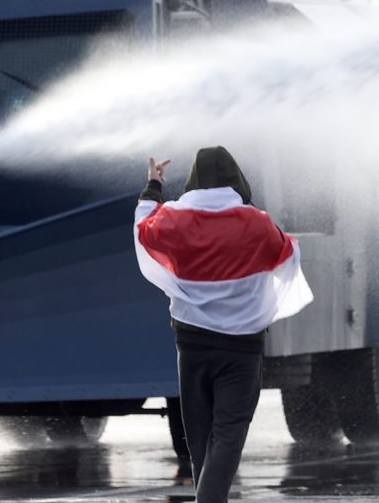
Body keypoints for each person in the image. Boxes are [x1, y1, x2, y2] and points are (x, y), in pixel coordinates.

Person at [133, 146, 313, 503]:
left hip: (191, 347)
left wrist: (153, 186)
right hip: (241, 351)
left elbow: (144, 229)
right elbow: (287, 252)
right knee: (228, 437)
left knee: (200, 440)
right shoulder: (257, 223)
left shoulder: (173, 219)